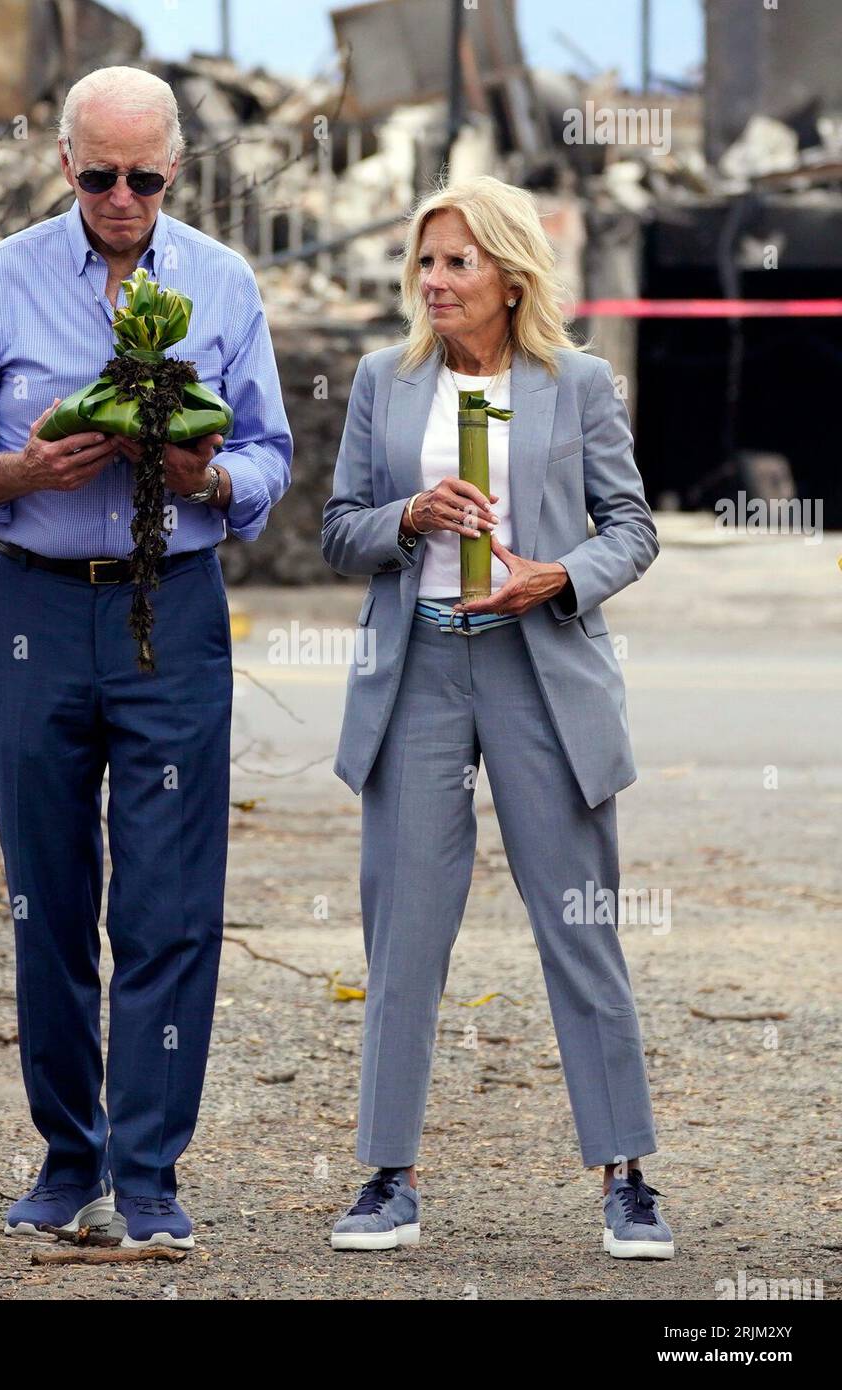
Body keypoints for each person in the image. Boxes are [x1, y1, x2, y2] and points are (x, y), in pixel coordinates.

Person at [0, 67, 292, 1249]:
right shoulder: (3, 275)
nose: (121, 198)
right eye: (97, 176)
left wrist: (209, 478)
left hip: (170, 603)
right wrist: (16, 472)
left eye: (143, 178)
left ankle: (149, 1173)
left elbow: (272, 456)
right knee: (48, 893)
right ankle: (67, 1155)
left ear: (175, 168)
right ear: (62, 165)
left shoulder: (221, 283)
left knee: (169, 902)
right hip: (33, 605)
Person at [321, 175, 673, 1260]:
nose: (433, 280)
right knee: (403, 935)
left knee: (578, 924)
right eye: (424, 262)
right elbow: (338, 530)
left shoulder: (578, 384)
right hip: (417, 669)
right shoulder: (383, 382)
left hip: (540, 666)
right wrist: (407, 515)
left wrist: (555, 576)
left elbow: (632, 528)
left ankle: (627, 1177)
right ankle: (388, 1177)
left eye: (456, 262)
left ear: (510, 277)